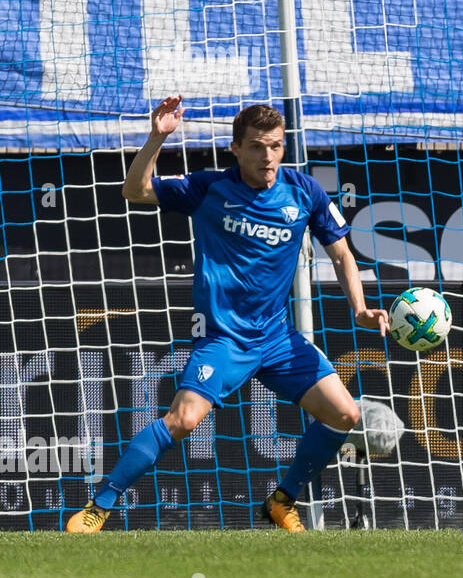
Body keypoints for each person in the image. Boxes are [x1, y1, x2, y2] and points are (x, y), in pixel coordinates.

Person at [66, 96, 389, 533]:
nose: (268, 156)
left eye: (275, 146)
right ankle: (98, 508)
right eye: (257, 146)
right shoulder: (209, 187)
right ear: (235, 149)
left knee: (345, 415)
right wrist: (156, 139)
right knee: (181, 421)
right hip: (223, 338)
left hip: (276, 339)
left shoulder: (305, 191)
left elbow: (342, 255)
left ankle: (281, 501)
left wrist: (360, 308)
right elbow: (134, 190)